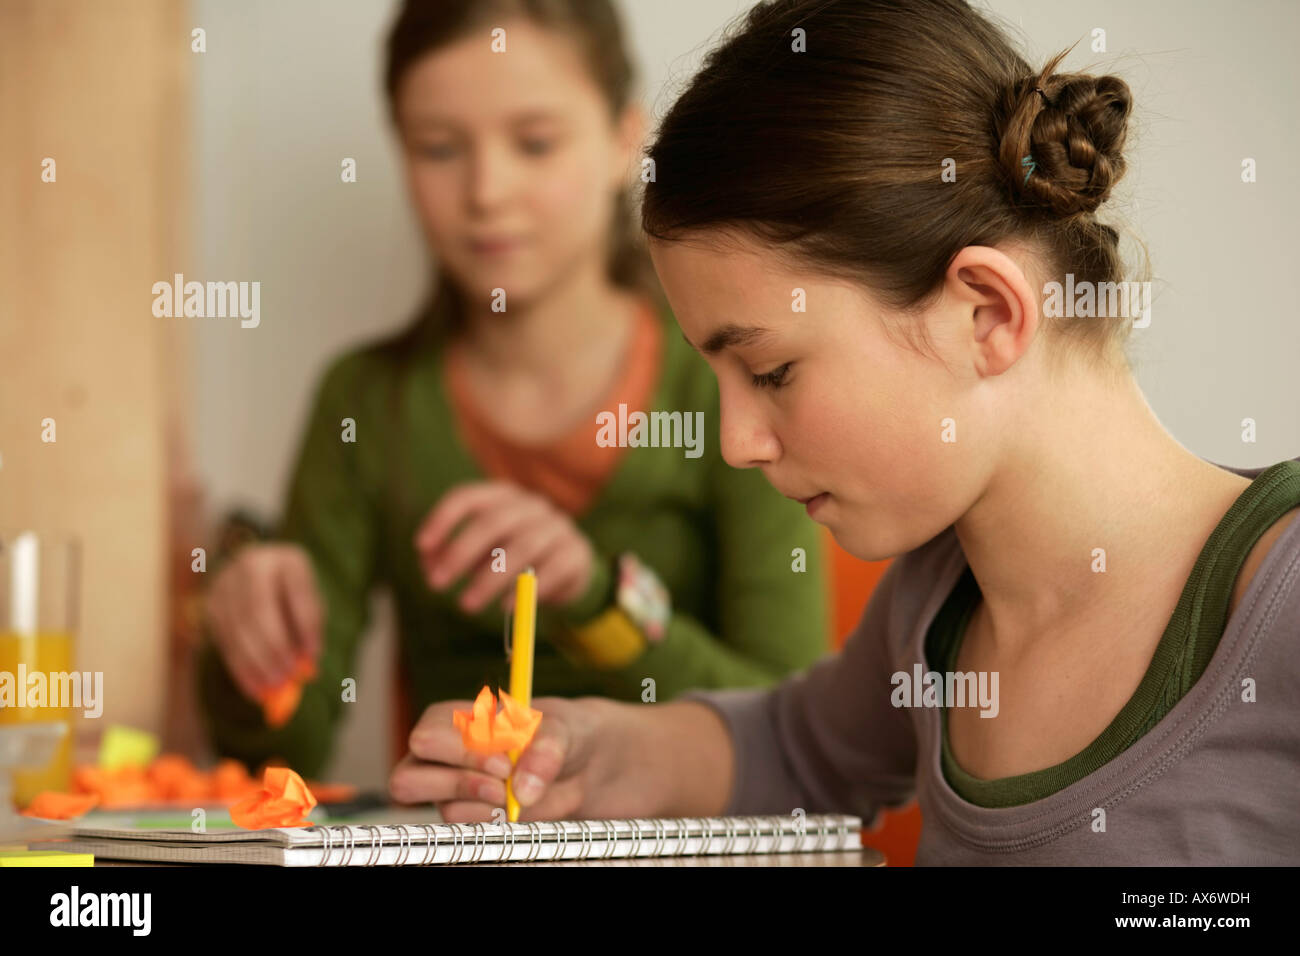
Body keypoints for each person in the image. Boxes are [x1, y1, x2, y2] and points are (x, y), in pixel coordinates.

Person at [391, 0, 1300, 864]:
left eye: (773, 372)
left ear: (985, 314)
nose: (736, 443)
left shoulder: (1281, 600)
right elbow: (794, 750)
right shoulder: (934, 597)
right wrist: (599, 748)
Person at [196, 0, 828, 780]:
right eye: (437, 148)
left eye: (534, 143)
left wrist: (598, 602)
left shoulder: (726, 376)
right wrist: (243, 641)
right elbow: (281, 758)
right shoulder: (364, 402)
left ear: (624, 142)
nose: (487, 190)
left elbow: (802, 732)